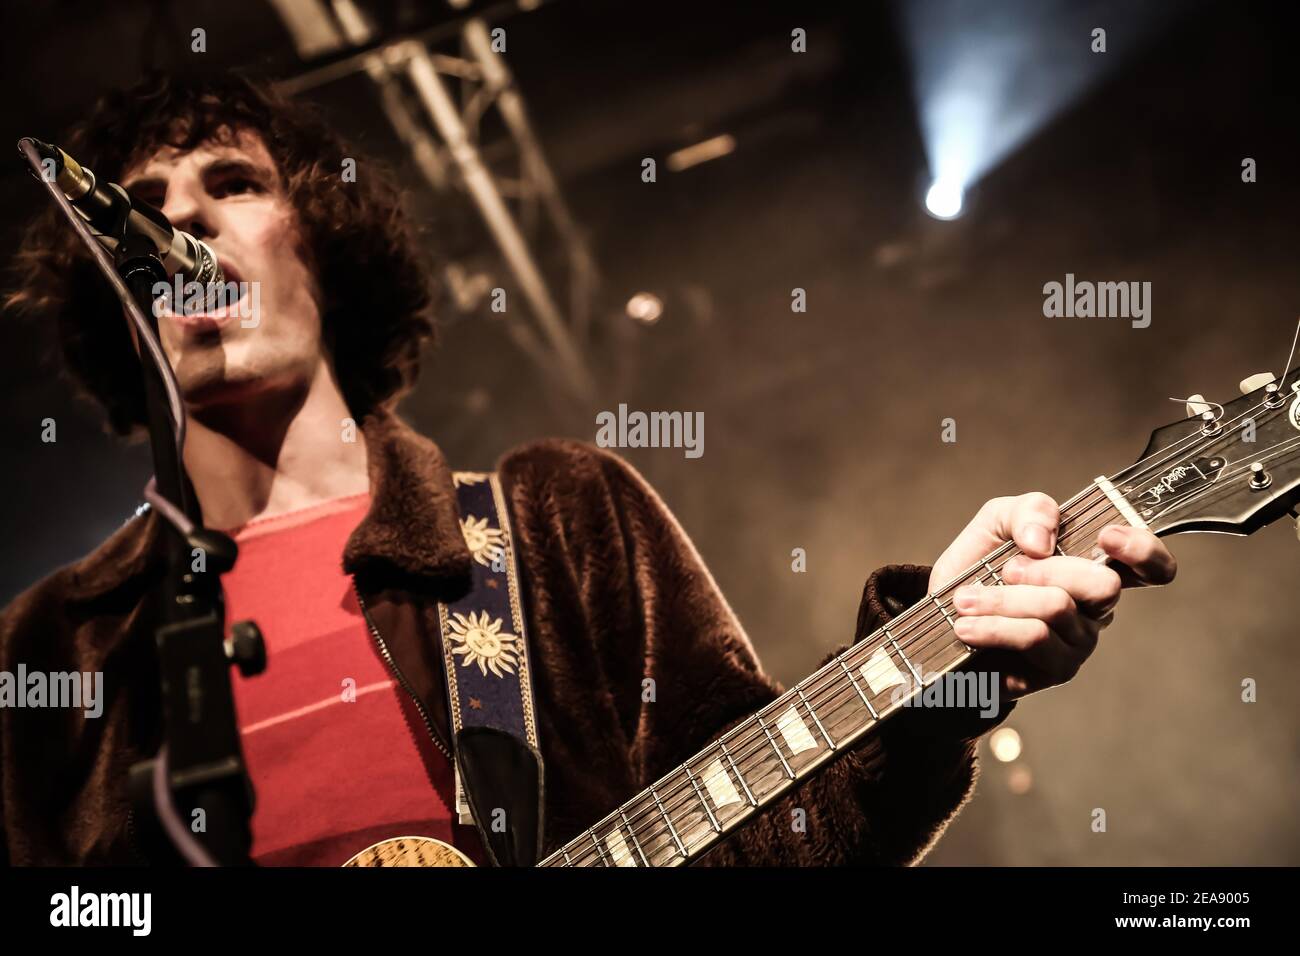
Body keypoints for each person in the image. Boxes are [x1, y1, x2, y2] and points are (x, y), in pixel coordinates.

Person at [0, 72, 1176, 866]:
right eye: (141, 208)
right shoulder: (58, 645)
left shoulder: (558, 519)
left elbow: (776, 842)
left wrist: (935, 667)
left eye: (231, 184)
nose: (180, 224)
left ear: (317, 237)